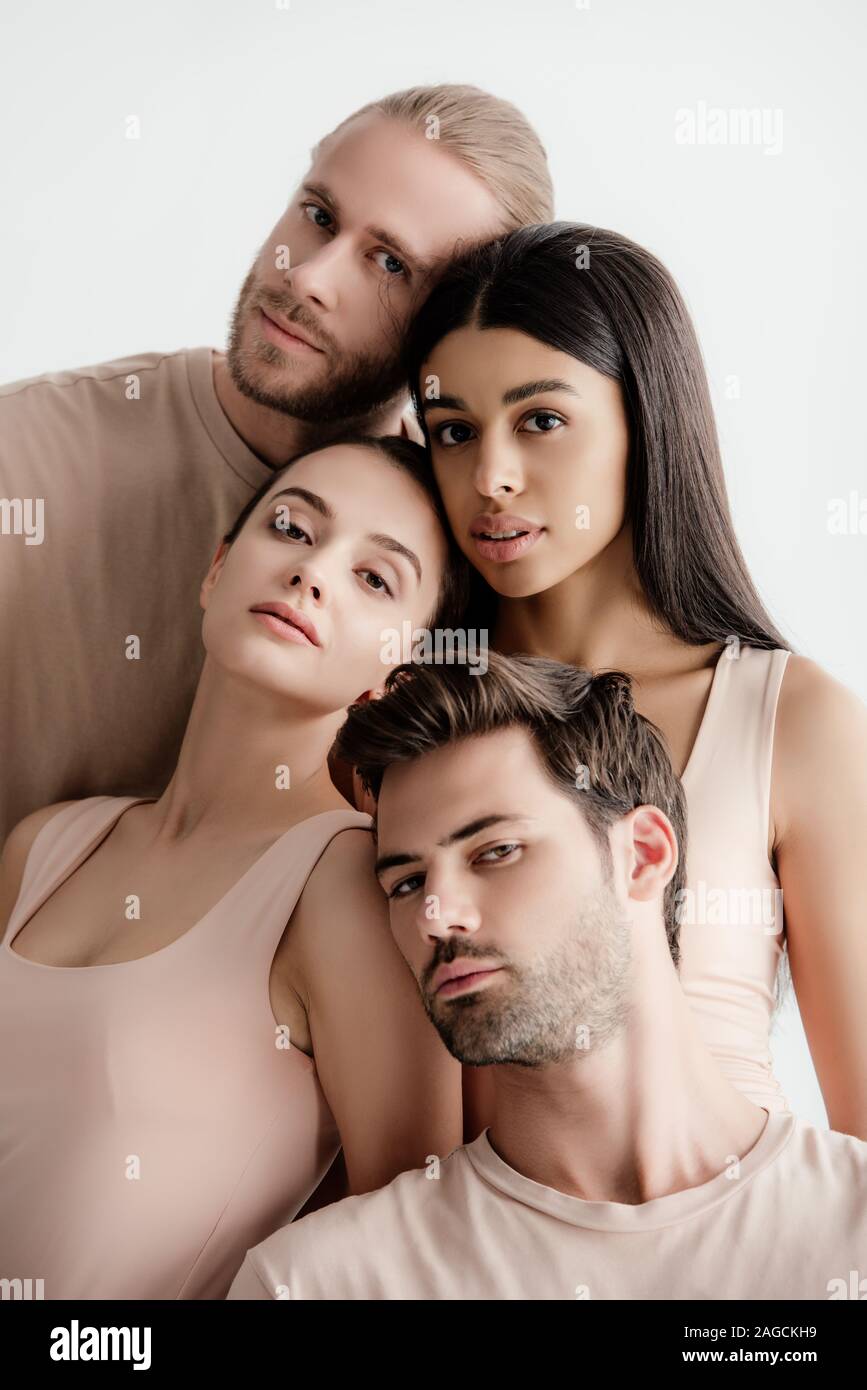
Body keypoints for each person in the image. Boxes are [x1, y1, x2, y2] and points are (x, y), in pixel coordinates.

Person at [398, 222, 867, 1139]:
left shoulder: (790, 720)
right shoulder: (399, 719)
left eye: (540, 420)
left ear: (645, 420)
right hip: (466, 1260)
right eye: (453, 432)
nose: (490, 477)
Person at [0, 83, 553, 842]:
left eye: (389, 264)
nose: (307, 278)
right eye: (317, 215)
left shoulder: (474, 559)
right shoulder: (21, 455)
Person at [227, 654, 867, 1301]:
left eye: (495, 851)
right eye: (407, 881)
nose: (434, 915)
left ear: (642, 856)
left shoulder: (850, 1231)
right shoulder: (315, 1284)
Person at [0, 435, 471, 1299]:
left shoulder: (349, 892)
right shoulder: (47, 846)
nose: (313, 573)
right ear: (217, 570)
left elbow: (411, 1247)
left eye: (374, 579)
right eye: (292, 528)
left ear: (398, 676)